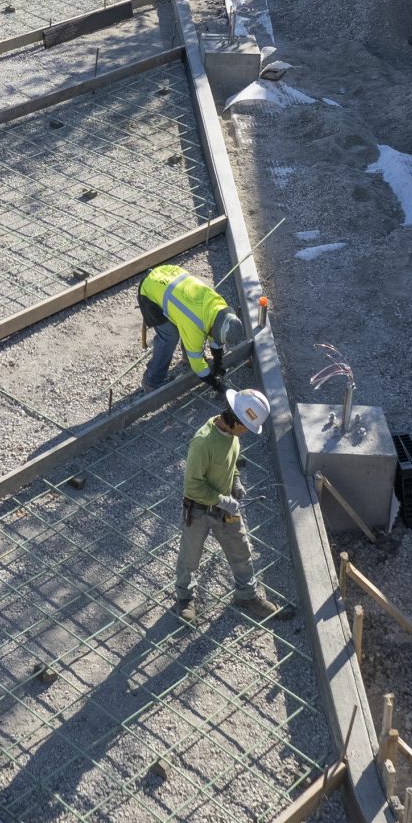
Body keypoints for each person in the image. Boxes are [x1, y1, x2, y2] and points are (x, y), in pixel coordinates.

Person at [177, 389, 283, 618]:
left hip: (225, 508)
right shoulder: (203, 442)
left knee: (241, 551)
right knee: (190, 556)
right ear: (236, 420)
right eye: (247, 427)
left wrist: (235, 482)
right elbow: (193, 486)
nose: (247, 432)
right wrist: (222, 500)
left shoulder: (232, 437)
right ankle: (185, 597)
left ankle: (247, 595)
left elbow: (232, 463)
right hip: (198, 510)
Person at [139, 261, 237, 394]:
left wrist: (218, 361)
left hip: (169, 274)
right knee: (170, 337)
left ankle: (186, 358)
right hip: (150, 291)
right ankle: (152, 381)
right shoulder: (194, 324)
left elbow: (214, 332)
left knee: (185, 323)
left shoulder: (219, 307)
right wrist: (216, 384)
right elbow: (198, 364)